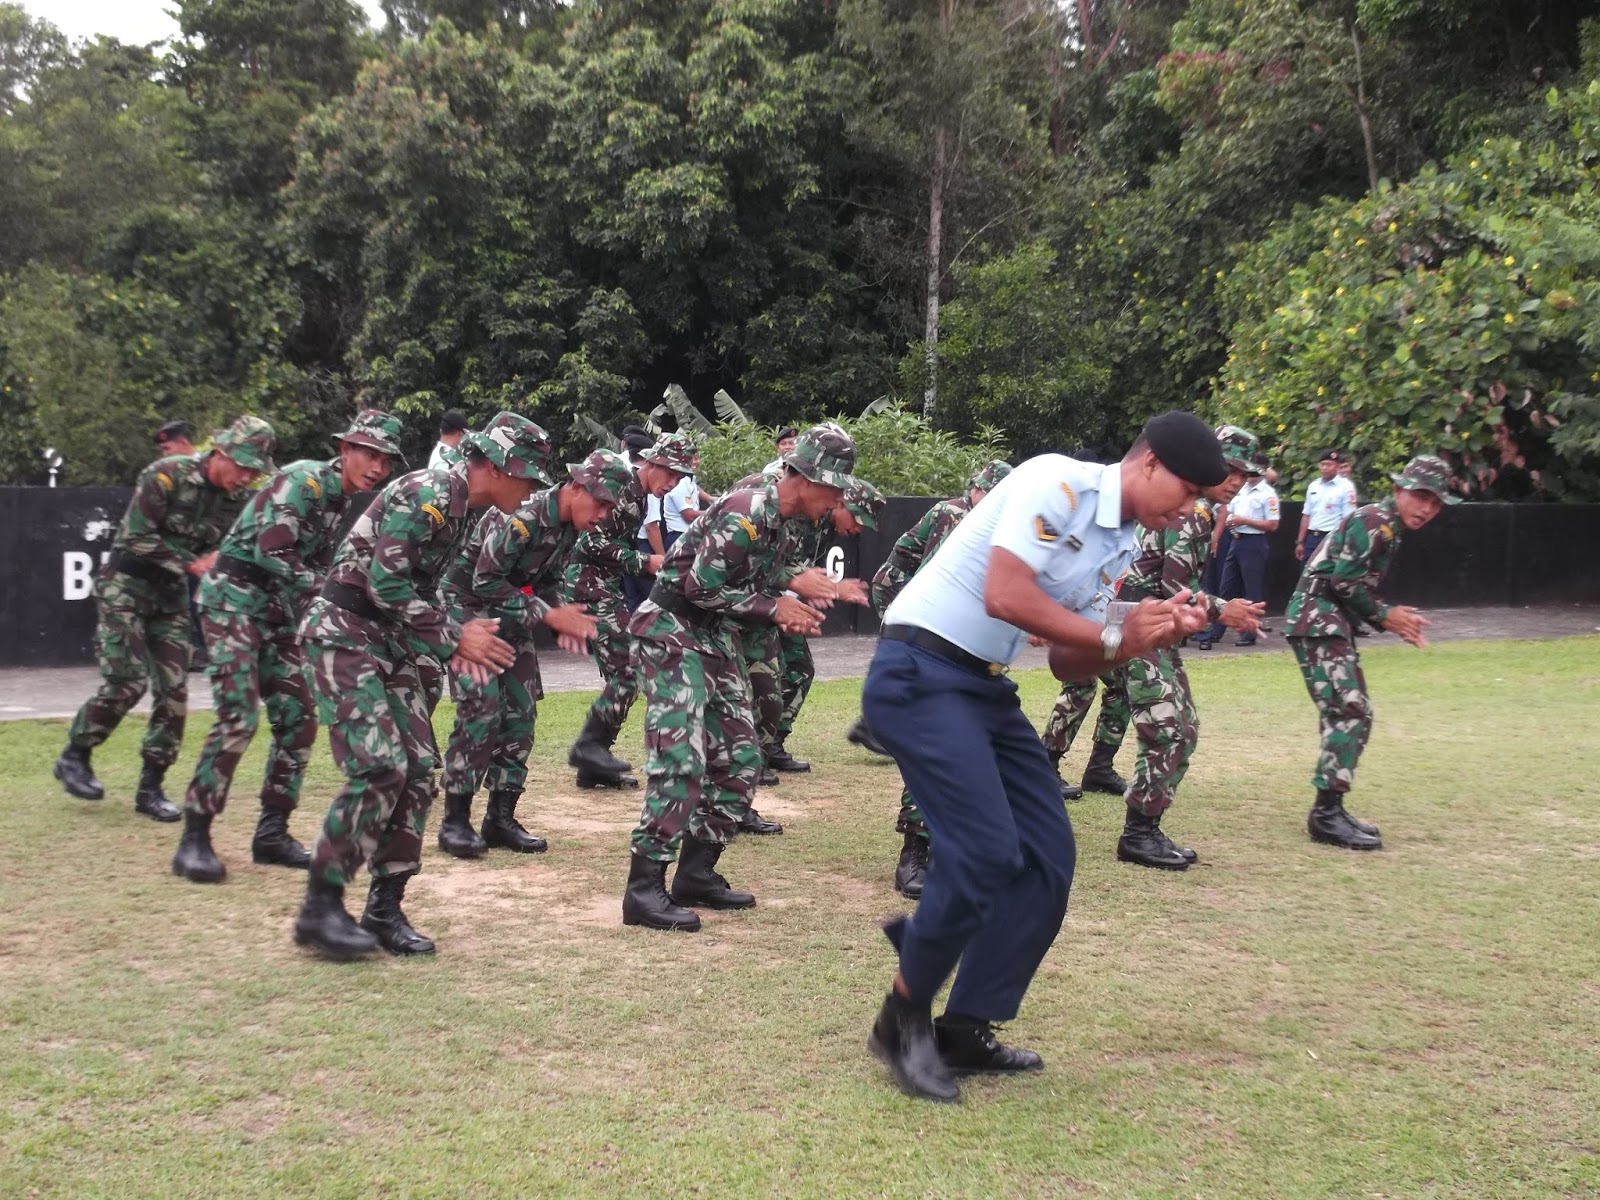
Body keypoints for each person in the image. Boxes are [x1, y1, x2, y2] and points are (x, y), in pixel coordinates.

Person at [859, 412, 1224, 1103]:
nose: (1193, 507)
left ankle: (964, 1027)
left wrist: (1142, 634)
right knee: (985, 852)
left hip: (983, 690)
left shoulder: (1124, 541)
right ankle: (900, 1018)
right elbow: (1006, 595)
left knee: (1048, 854)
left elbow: (1065, 661)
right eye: (1189, 488)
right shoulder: (1057, 483)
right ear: (1147, 463)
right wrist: (1115, 635)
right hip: (919, 672)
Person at [290, 412, 545, 960]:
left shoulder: (466, 511)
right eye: (526, 477)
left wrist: (442, 643)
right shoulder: (431, 490)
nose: (530, 491)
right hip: (345, 632)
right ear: (497, 467)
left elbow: (424, 591)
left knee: (417, 770)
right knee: (379, 765)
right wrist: (455, 639)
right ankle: (320, 907)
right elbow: (385, 582)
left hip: (390, 641)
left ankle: (384, 909)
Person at [620, 424, 865, 933]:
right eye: (835, 488)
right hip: (672, 630)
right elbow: (698, 587)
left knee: (742, 756)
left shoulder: (780, 522)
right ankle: (643, 890)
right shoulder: (746, 510)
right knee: (681, 759)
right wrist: (775, 607)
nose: (838, 499)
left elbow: (751, 577)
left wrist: (796, 583)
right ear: (806, 477)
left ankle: (695, 874)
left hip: (712, 637)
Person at [171, 410, 406, 884]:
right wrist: (328, 591)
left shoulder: (343, 500)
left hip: (277, 612)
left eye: (386, 459)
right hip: (231, 602)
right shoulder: (305, 480)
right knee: (238, 715)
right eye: (369, 453)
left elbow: (310, 568)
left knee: (299, 718)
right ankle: (194, 836)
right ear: (345, 450)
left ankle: (271, 832)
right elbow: (270, 550)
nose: (378, 467)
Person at [53, 416, 275, 820]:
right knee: (128, 680)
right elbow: (137, 537)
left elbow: (218, 551)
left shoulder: (230, 502)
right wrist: (191, 563)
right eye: (243, 466)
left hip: (169, 598)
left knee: (174, 692)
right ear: (220, 453)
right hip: (125, 587)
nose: (246, 477)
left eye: (254, 471)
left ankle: (150, 787)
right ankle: (76, 753)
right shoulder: (167, 474)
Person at [437, 448, 630, 857]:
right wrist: (549, 614)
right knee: (482, 708)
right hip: (469, 610)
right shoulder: (522, 517)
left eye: (610, 508)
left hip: (513, 612)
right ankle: (454, 822)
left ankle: (500, 818)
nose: (602, 516)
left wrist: (558, 610)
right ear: (576, 487)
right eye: (600, 503)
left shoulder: (568, 526)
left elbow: (550, 579)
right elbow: (483, 580)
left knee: (521, 713)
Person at [1283, 453, 1456, 851]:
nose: (1427, 508)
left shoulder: (1386, 524)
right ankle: (1325, 815)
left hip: (1325, 620)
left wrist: (1386, 617)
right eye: (1421, 496)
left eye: (1435, 502)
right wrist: (1385, 615)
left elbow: (1351, 583)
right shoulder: (1375, 521)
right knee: (1351, 710)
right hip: (1318, 618)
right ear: (1399, 491)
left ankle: (1331, 807)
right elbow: (1344, 582)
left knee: (1346, 711)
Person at [1113, 425, 1265, 870]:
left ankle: (1145, 825)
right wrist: (1224, 609)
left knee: (1185, 726)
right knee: (1167, 729)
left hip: (1155, 629)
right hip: (1136, 626)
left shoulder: (1199, 510)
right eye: (1231, 469)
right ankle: (1138, 834)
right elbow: (1174, 588)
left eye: (1245, 473)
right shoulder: (1193, 511)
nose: (1237, 480)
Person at [858, 460, 1012, 897]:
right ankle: (916, 851)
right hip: (936, 651)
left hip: (980, 654)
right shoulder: (952, 516)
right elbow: (892, 571)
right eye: (985, 493)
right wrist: (903, 629)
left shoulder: (1010, 530)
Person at [564, 433, 698, 790]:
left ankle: (593, 763)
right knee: (627, 669)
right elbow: (589, 541)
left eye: (678, 479)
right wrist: (644, 561)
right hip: (588, 587)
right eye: (669, 475)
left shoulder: (639, 496)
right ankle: (589, 747)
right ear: (652, 464)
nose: (671, 485)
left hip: (605, 586)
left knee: (625, 671)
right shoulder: (622, 488)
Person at [1196, 450, 1279, 649]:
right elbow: (1225, 511)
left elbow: (1273, 525)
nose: (1241, 479)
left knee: (1251, 590)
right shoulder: (1240, 491)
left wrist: (1244, 521)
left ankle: (1248, 633)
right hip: (1235, 540)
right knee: (1226, 587)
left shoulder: (1268, 494)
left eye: (1247, 473)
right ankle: (1216, 630)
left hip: (1254, 542)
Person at [1296, 449, 1358, 564]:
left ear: (1337, 466)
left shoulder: (1346, 487)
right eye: (1322, 464)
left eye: (1328, 464)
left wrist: (1342, 542)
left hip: (1332, 537)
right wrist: (1300, 542)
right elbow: (1306, 515)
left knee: (1327, 574)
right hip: (1312, 537)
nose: (1324, 468)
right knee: (1306, 572)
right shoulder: (1314, 486)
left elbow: (1348, 518)